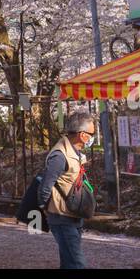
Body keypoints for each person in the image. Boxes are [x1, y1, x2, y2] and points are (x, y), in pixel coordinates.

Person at [38, 109, 96, 269]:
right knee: (77, 263)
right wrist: (44, 207)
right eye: (91, 134)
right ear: (82, 134)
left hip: (74, 213)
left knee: (68, 260)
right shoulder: (60, 155)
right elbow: (46, 185)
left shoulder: (74, 152)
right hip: (61, 215)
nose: (93, 137)